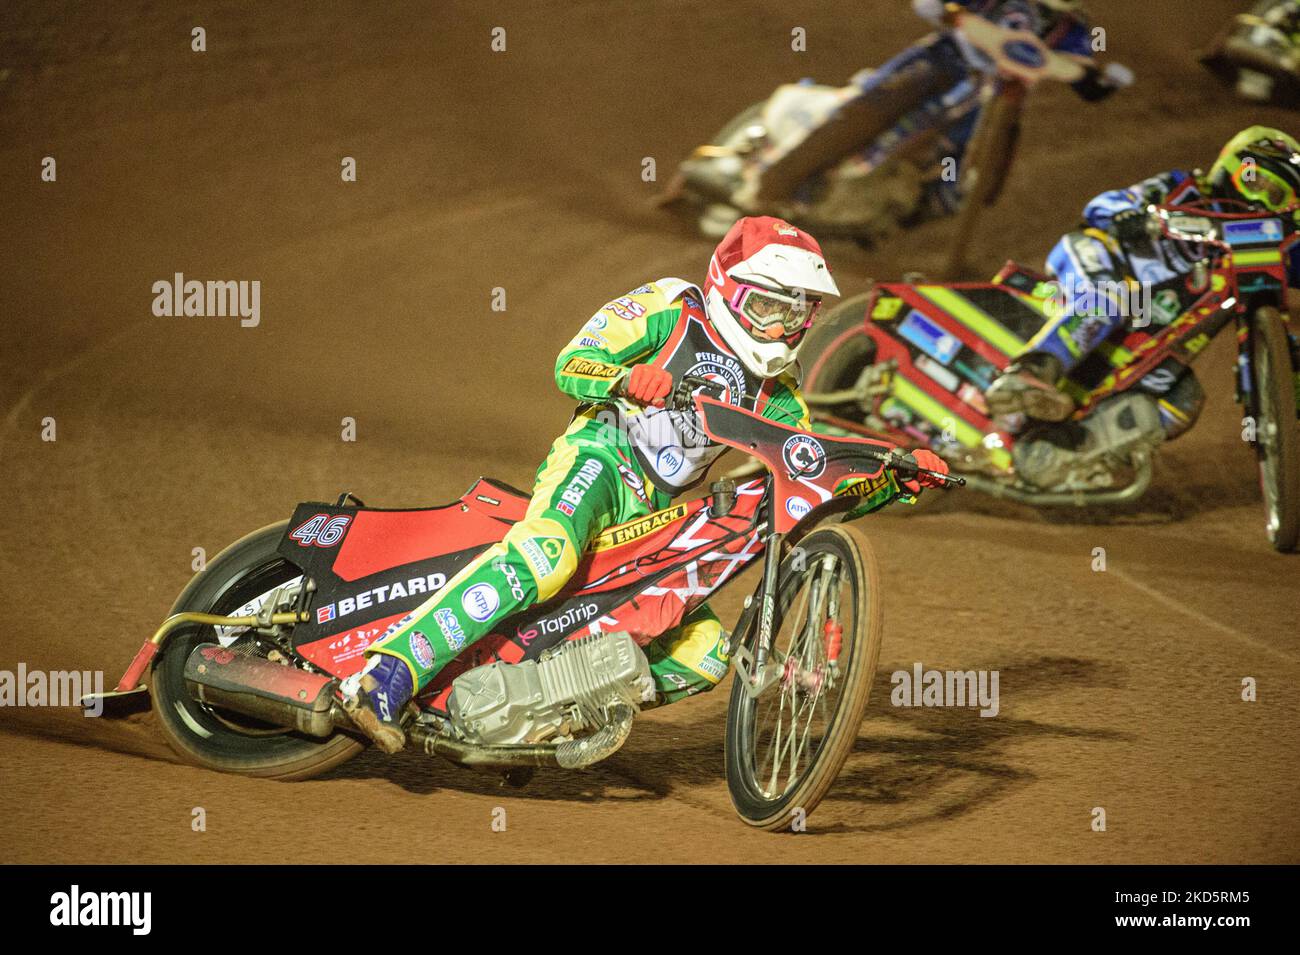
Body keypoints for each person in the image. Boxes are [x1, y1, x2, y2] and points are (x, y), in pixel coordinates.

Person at [343, 216, 950, 751]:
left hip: (655, 513)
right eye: (766, 307)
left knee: (706, 655)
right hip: (601, 457)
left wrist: (893, 482)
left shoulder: (783, 398)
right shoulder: (673, 307)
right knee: (547, 557)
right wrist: (627, 378)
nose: (778, 329)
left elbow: (807, 485)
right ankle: (384, 675)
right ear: (727, 289)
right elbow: (571, 362)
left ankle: (531, 710)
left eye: (795, 314)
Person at [986, 126, 1300, 423]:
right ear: (1230, 165)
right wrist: (1128, 215)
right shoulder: (1183, 188)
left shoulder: (1260, 252)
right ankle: (1027, 373)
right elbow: (1106, 205)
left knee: (1181, 400)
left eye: (1275, 195)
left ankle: (1073, 449)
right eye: (1254, 179)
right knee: (1111, 298)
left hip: (1146, 327)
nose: (1259, 197)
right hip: (1100, 259)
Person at [733, 0, 1126, 216]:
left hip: (992, 99)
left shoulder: (1072, 29)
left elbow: (1089, 79)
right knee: (865, 114)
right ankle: (768, 185)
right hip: (942, 64)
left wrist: (1094, 80)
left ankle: (892, 218)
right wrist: (957, 15)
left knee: (979, 180)